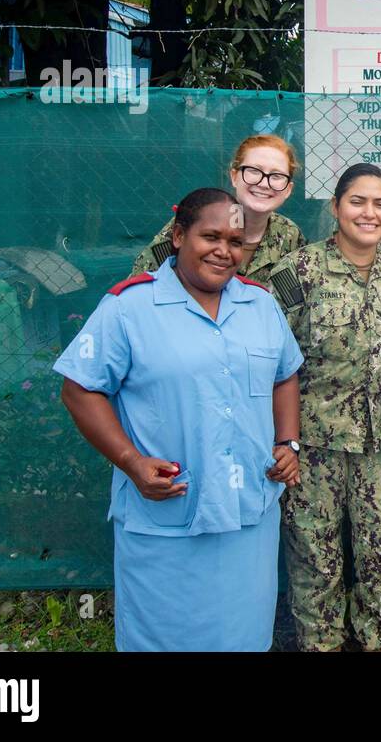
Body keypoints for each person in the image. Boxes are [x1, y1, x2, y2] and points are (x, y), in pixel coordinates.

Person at [55, 188, 303, 651]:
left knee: (244, 636)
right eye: (210, 236)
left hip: (248, 511)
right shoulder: (130, 307)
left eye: (235, 241)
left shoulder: (260, 304)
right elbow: (79, 388)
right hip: (169, 510)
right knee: (163, 635)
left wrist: (288, 443)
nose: (223, 251)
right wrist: (130, 461)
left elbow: (285, 375)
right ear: (178, 235)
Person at [266, 164, 381, 652]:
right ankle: (320, 645)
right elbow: (268, 359)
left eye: (380, 203)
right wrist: (280, 438)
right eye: (357, 201)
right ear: (335, 207)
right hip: (313, 447)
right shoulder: (297, 274)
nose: (368, 213)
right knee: (315, 559)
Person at [131, 134, 306, 284]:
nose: (263, 183)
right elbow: (141, 281)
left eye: (276, 176)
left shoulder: (290, 235)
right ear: (234, 176)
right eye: (254, 170)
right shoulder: (196, 219)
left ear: (288, 189)